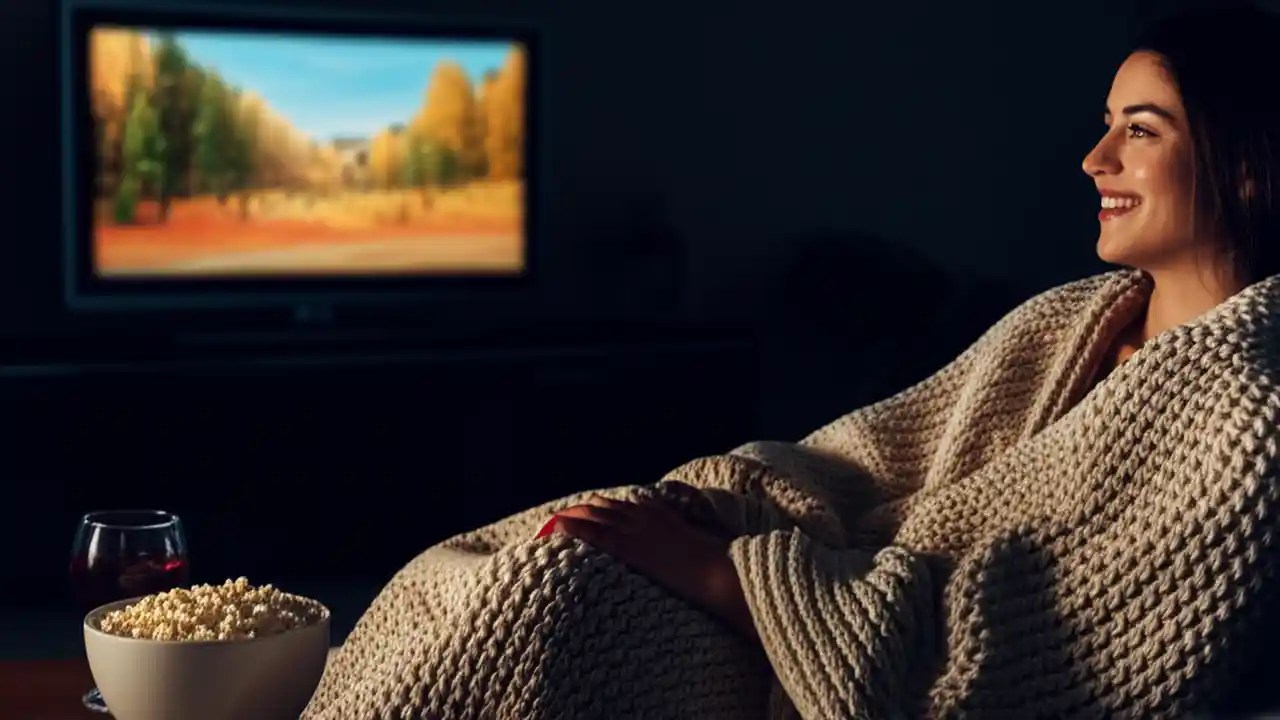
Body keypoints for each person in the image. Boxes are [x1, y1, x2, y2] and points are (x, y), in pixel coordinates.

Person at [302, 4, 1280, 718]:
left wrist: (724, 574)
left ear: (1243, 161)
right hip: (798, 583)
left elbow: (1053, 663)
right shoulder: (1074, 317)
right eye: (1103, 124)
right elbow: (859, 458)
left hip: (825, 652)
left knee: (552, 603)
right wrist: (710, 505)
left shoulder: (1248, 411)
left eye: (1137, 132)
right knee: (496, 560)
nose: (1092, 159)